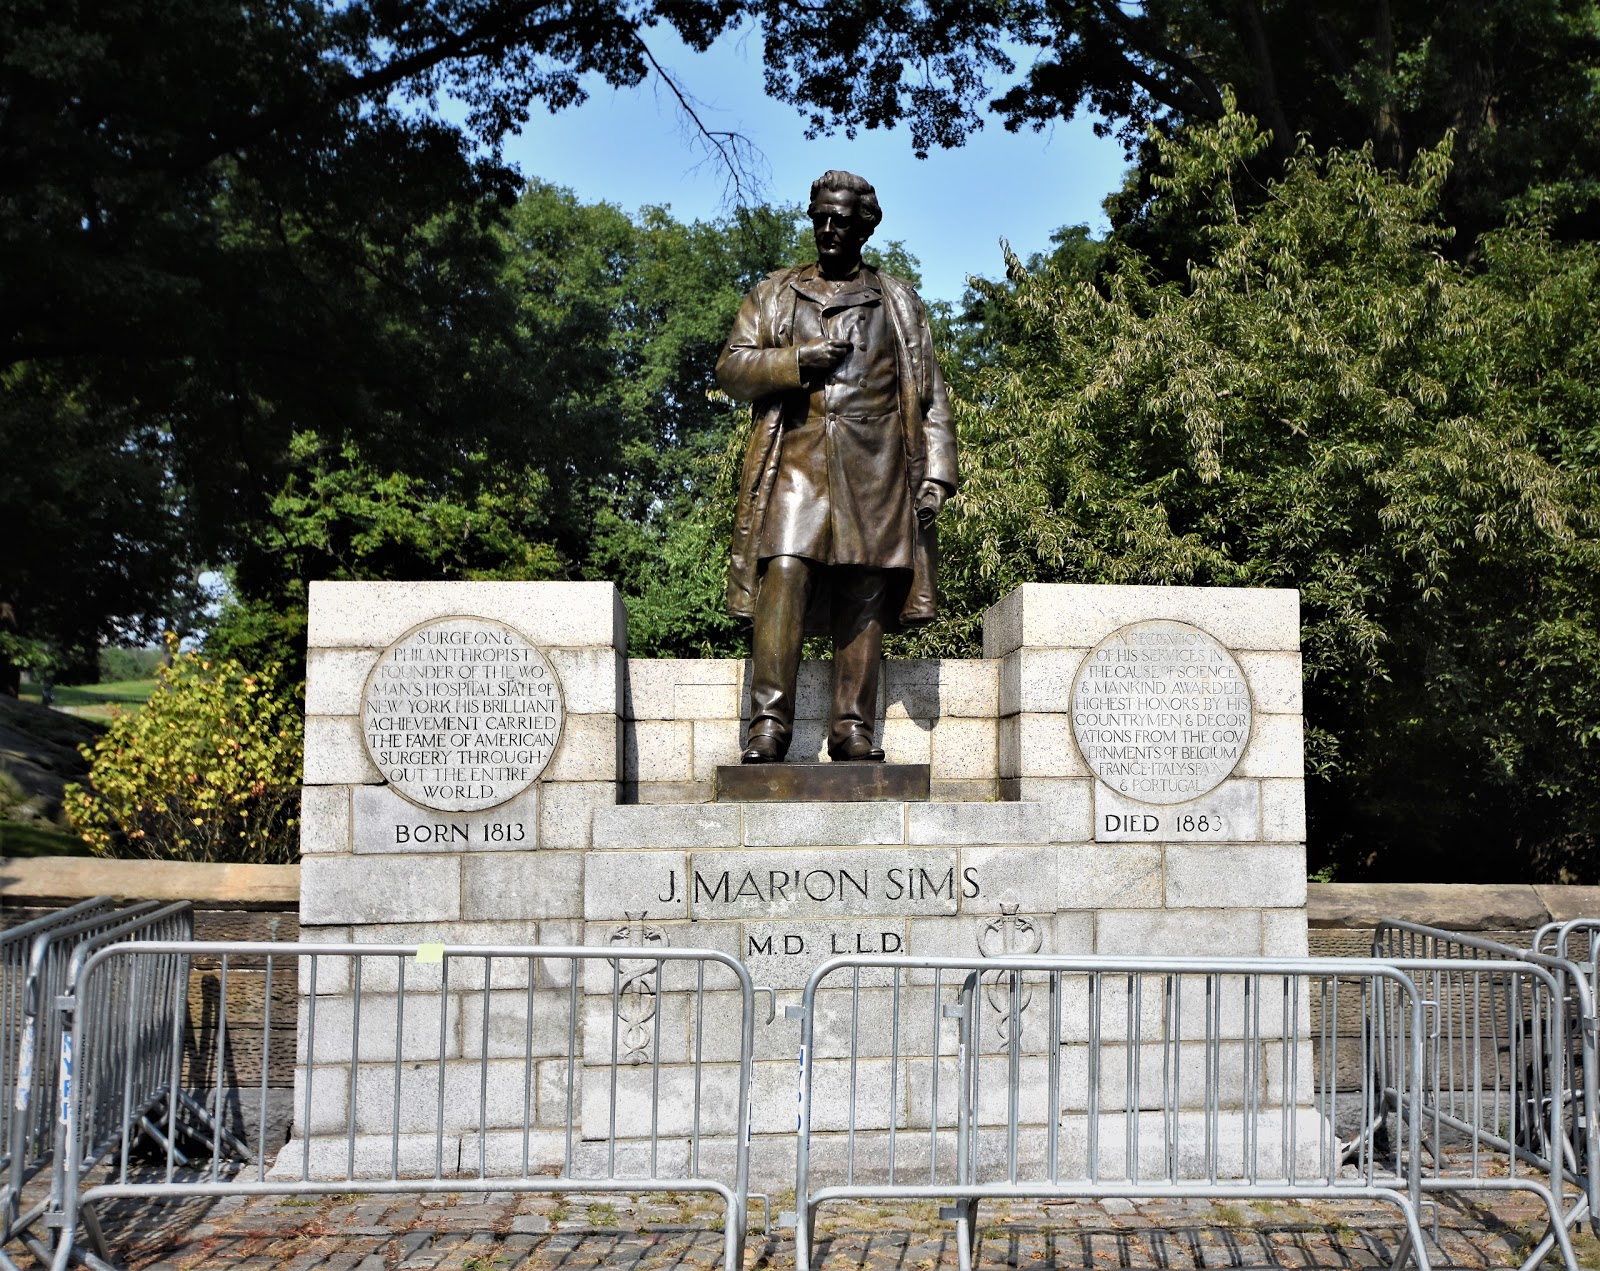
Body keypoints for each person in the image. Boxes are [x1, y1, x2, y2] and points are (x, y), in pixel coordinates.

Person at [718, 170, 958, 764]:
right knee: (785, 574)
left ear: (865, 227)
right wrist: (798, 359)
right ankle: (768, 725)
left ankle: (852, 728)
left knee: (864, 588)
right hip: (796, 463)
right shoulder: (775, 292)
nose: (827, 229)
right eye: (819, 218)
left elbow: (930, 396)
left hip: (877, 468)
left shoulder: (898, 302)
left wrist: (936, 475)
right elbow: (731, 369)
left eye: (841, 220)